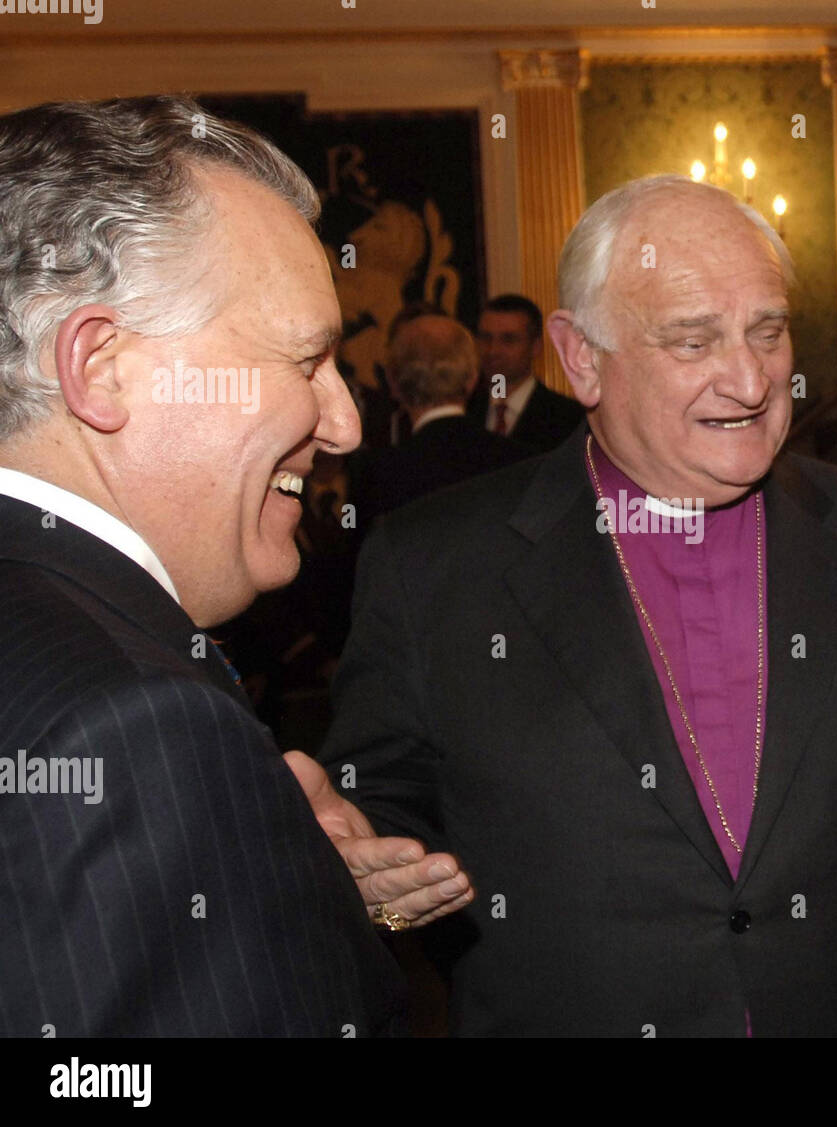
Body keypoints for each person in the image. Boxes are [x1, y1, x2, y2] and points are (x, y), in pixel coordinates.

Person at [317, 173, 837, 1036]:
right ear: (580, 358)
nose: (752, 381)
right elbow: (378, 805)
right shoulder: (434, 565)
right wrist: (364, 869)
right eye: (693, 341)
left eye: (769, 331)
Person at [0, 95, 470, 1037]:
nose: (343, 422)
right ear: (101, 366)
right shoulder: (130, 724)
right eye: (307, 360)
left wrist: (279, 875)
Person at [350, 306, 528, 530]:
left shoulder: (377, 474)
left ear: (393, 383)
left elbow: (362, 559)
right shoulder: (519, 460)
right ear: (472, 379)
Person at [466, 293, 585, 452]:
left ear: (535, 346)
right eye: (485, 338)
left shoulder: (568, 417)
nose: (493, 350)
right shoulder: (465, 410)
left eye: (508, 340)